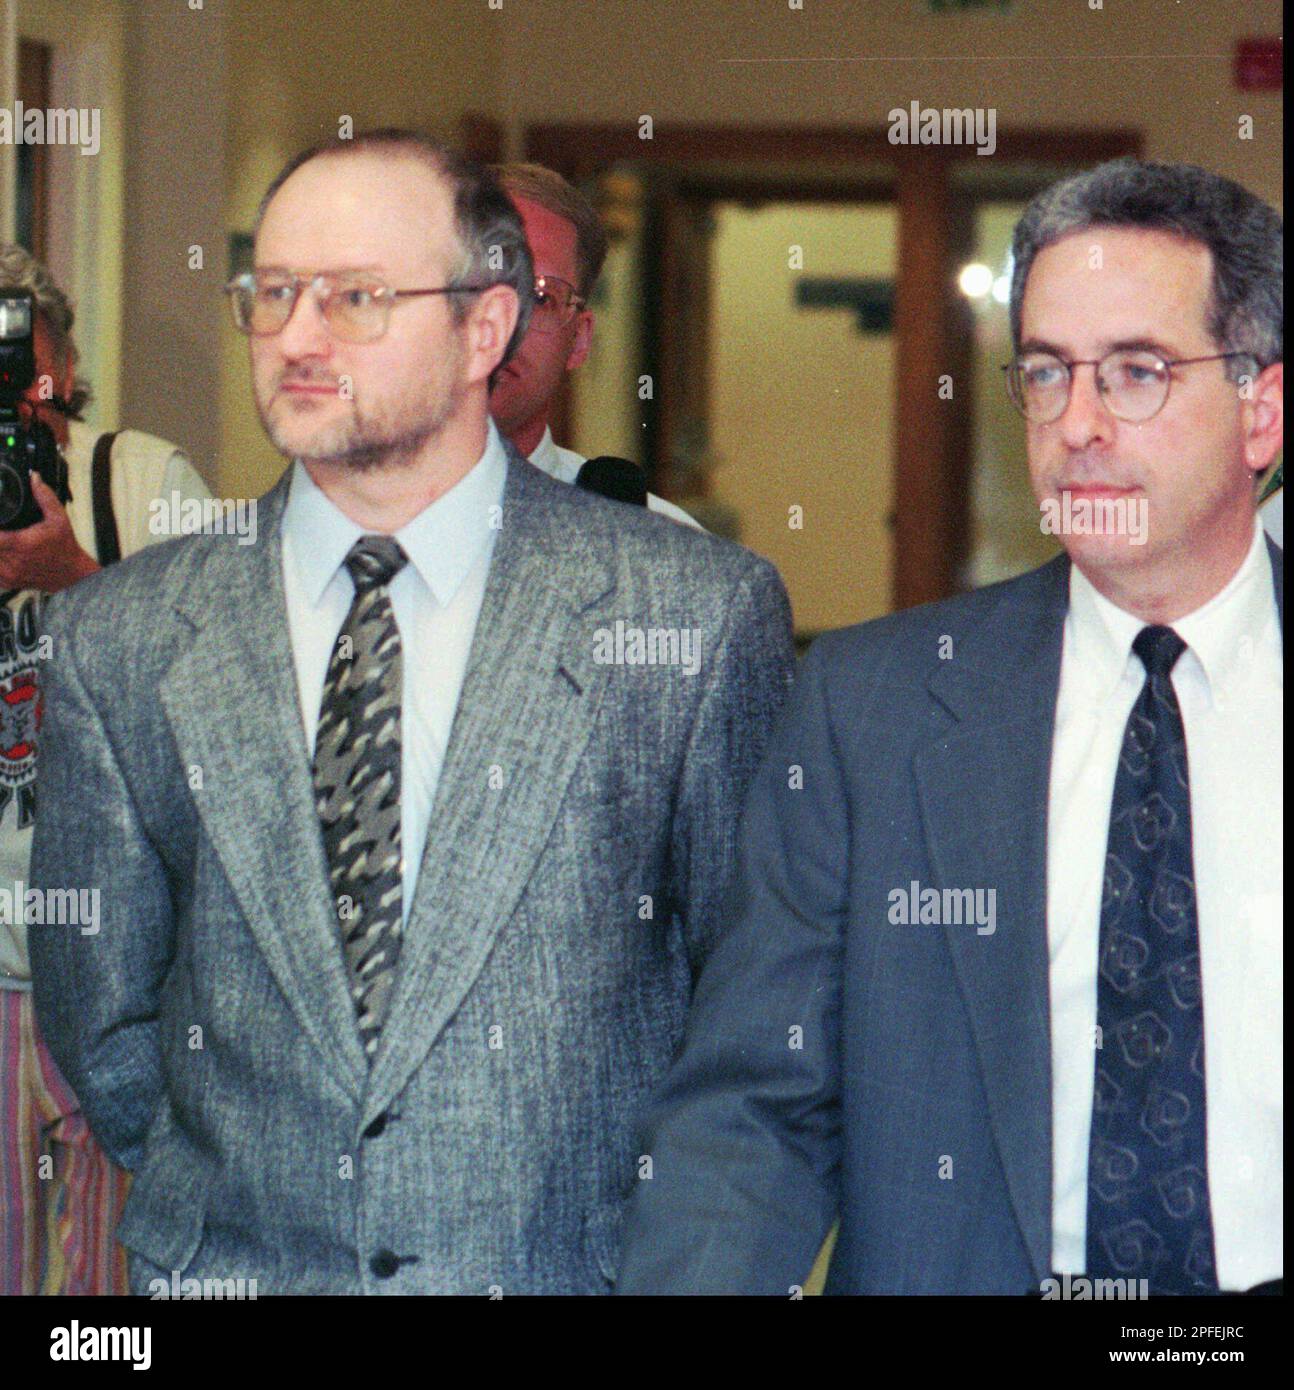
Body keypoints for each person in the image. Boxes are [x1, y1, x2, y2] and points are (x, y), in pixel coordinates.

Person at [28, 129, 794, 1294]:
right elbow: (105, 1017)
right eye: (273, 292)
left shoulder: (685, 613)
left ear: (485, 328)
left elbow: (751, 1022)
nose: (294, 335)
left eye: (355, 297)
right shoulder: (123, 636)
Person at [617, 159, 1283, 1296]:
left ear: (1261, 410)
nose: (1076, 425)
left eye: (1133, 373)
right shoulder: (870, 707)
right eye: (1043, 373)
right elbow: (755, 1114)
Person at [0, 243, 209, 1295]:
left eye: (24, 376)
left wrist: (76, 579)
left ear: (63, 369)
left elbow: (227, 705)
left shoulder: (143, 480)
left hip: (125, 973)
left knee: (115, 1300)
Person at [490, 162, 702, 529]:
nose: (500, 326)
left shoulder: (659, 542)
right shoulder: (357, 516)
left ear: (578, 339)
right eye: (471, 287)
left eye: (541, 298)